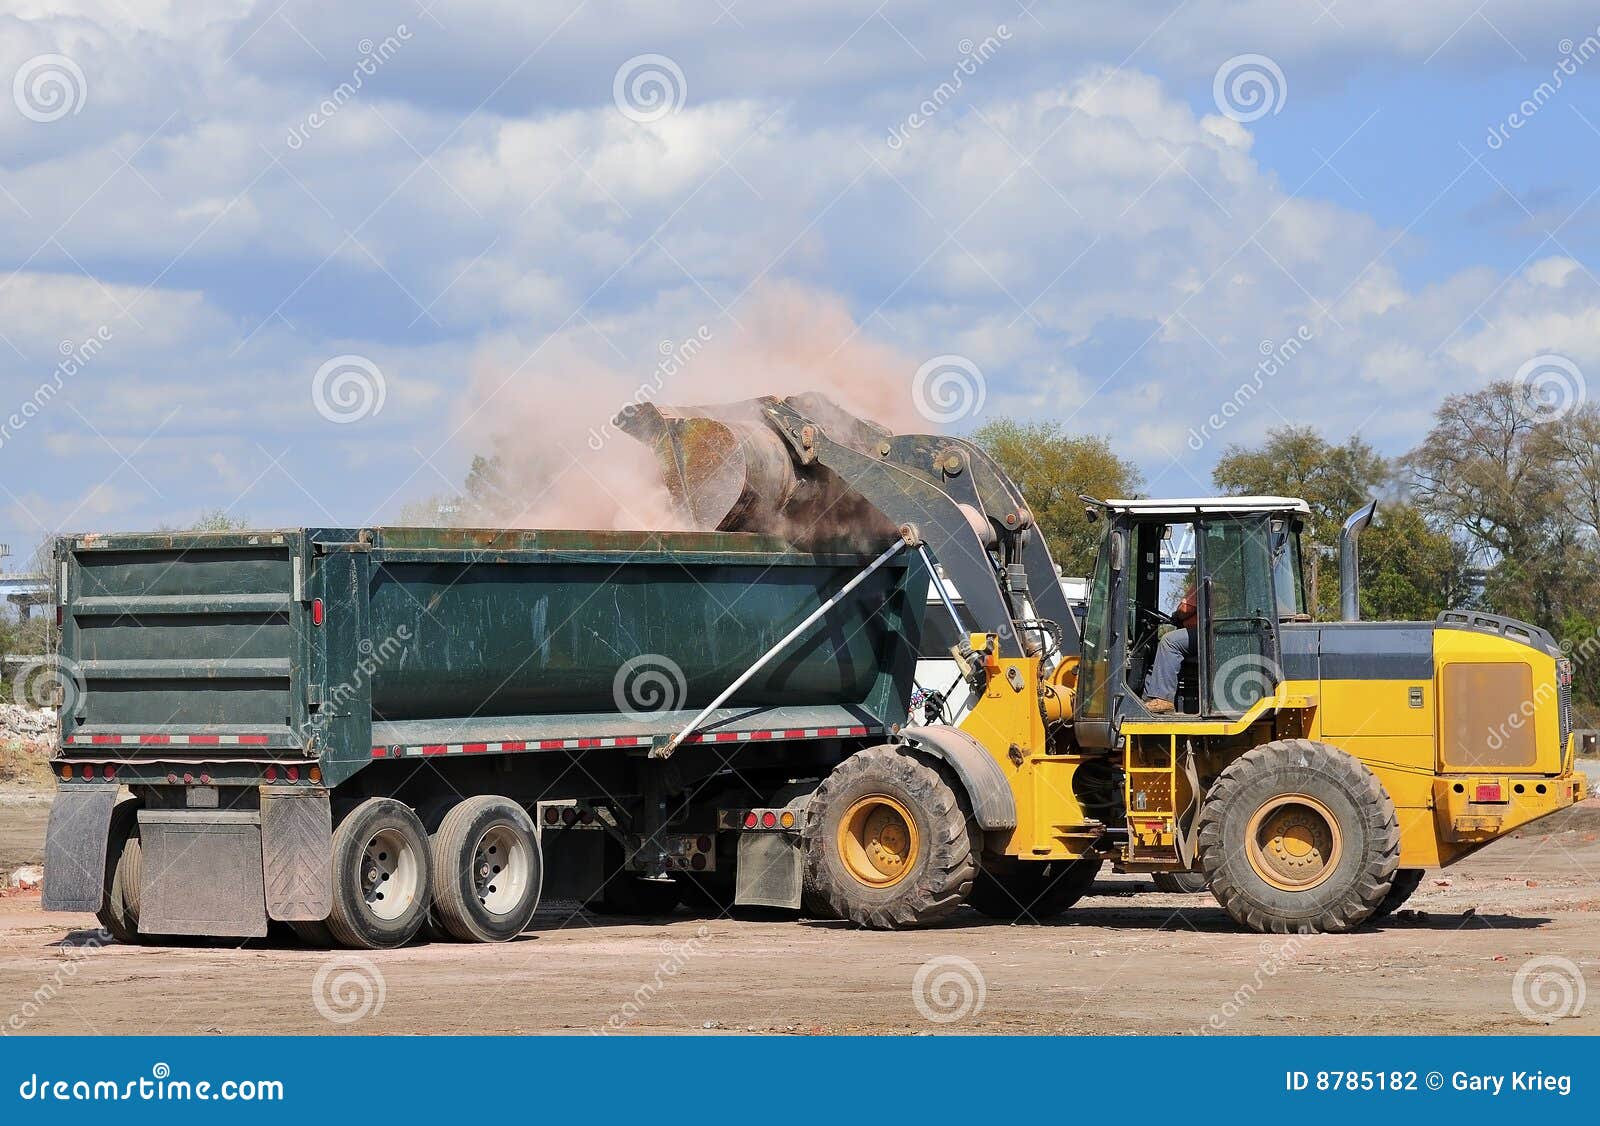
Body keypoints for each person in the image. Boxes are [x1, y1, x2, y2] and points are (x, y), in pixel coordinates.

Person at [1143, 584, 1196, 715]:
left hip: (1207, 633)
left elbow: (1185, 609)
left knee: (1169, 642)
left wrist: (1176, 615)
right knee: (1158, 663)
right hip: (1205, 632)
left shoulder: (1205, 578)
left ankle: (1164, 700)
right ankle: (1147, 701)